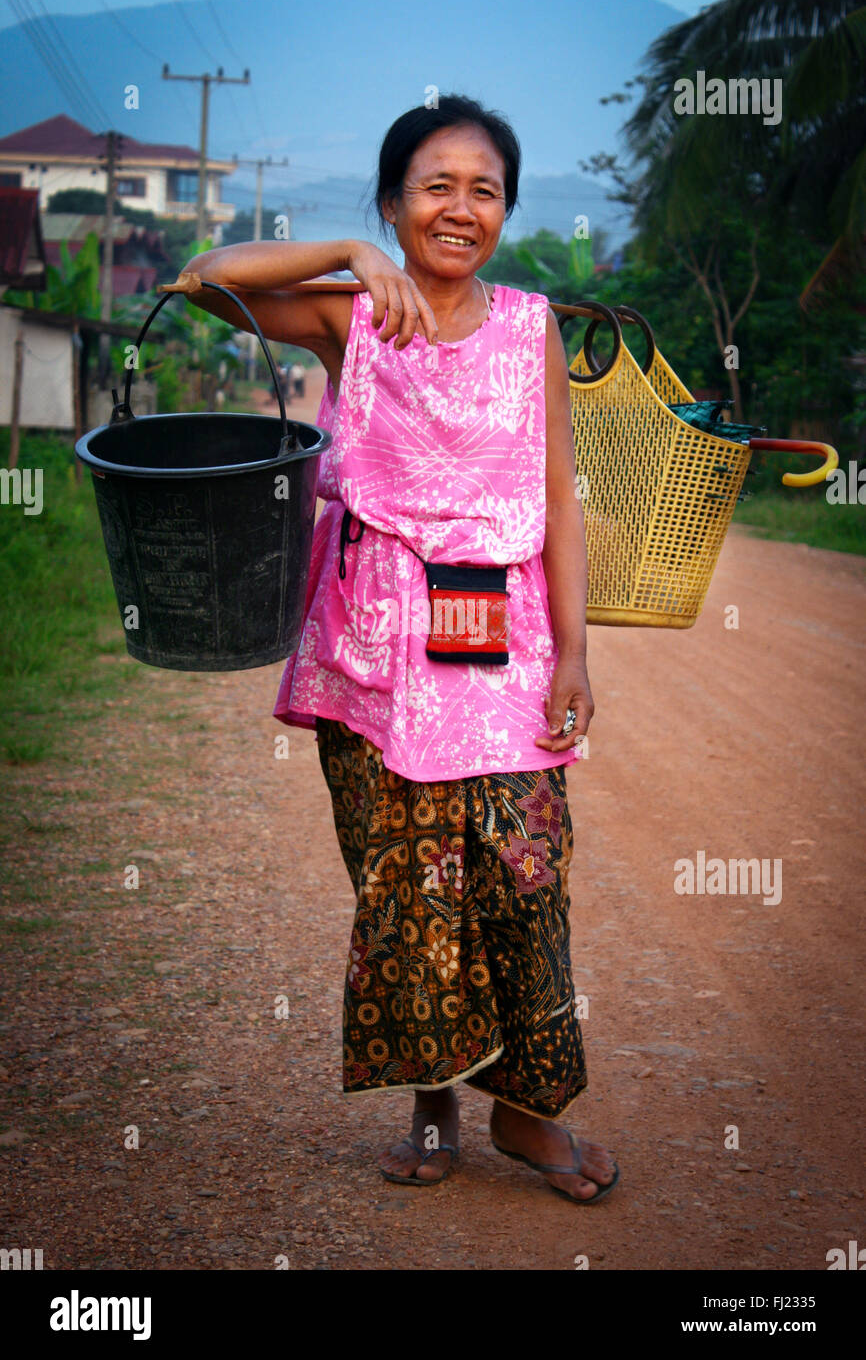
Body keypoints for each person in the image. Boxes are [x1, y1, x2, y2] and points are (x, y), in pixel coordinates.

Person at [176, 94, 618, 1204]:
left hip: (498, 646)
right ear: (391, 203)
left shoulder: (530, 326)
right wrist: (342, 257)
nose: (459, 208)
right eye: (435, 186)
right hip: (369, 649)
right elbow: (203, 280)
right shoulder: (351, 316)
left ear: (505, 210)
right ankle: (433, 1109)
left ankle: (526, 1113)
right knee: (405, 887)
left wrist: (571, 649)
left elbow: (555, 496)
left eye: (484, 189)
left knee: (524, 874)